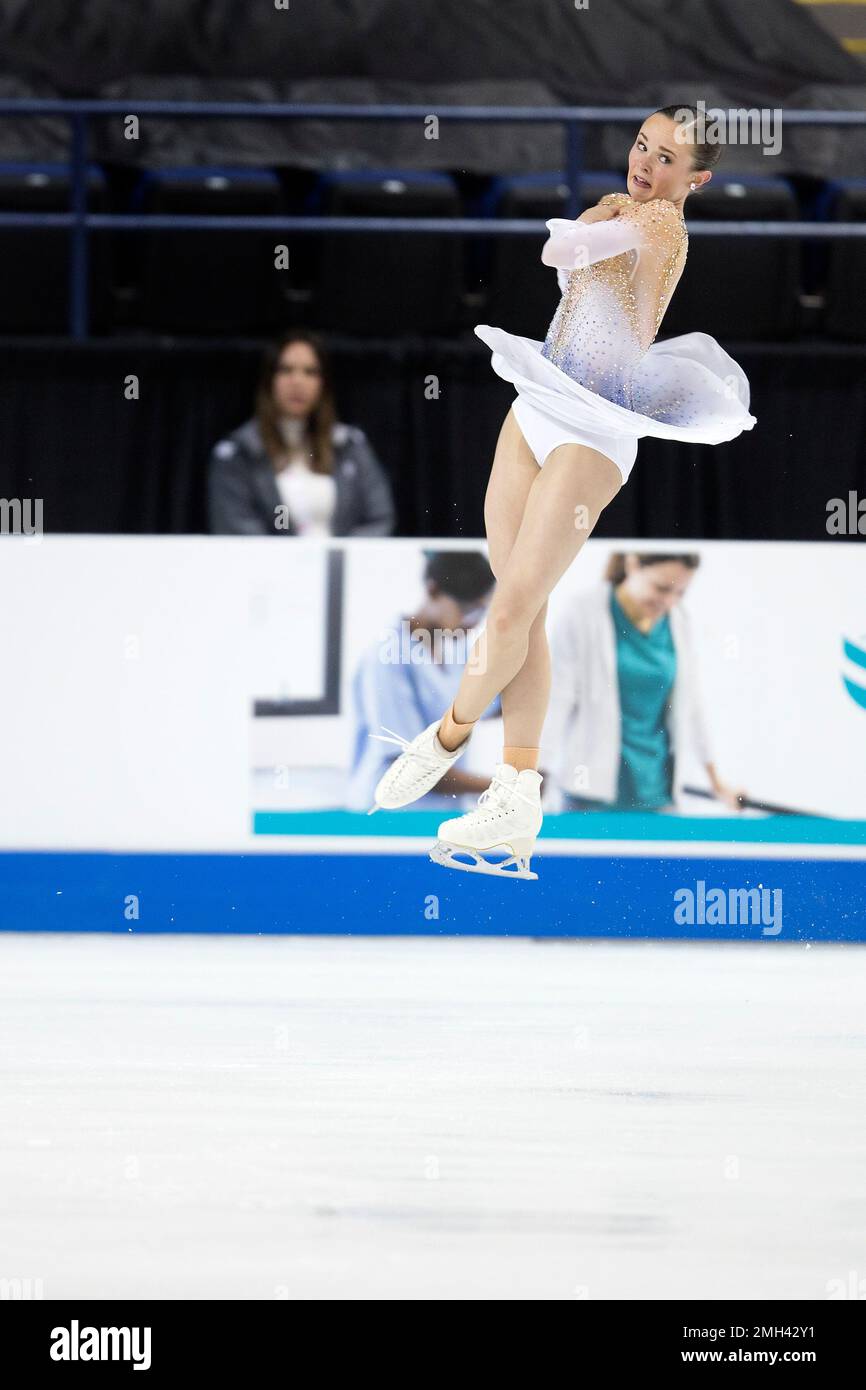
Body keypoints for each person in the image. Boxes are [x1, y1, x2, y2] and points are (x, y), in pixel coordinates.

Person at [364, 105, 757, 881]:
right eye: (643, 147)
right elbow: (568, 252)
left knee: (507, 611)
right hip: (536, 406)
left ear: (697, 179)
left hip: (593, 430)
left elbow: (564, 249)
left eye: (668, 159)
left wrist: (596, 222)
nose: (646, 164)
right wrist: (589, 224)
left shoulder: (662, 228)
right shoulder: (620, 208)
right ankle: (516, 790)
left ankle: (445, 736)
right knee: (526, 615)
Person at [539, 552, 747, 814]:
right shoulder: (582, 613)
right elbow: (557, 699)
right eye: (661, 588)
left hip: (658, 791)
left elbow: (692, 707)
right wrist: (537, 771)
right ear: (632, 563)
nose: (669, 601)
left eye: (680, 593)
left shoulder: (678, 621)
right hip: (590, 793)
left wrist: (717, 783)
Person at [345, 551, 501, 812]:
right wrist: (499, 786)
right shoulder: (388, 656)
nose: (471, 622)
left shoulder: (454, 650)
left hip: (438, 813)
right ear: (433, 591)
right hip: (388, 814)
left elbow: (488, 706)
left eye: (479, 610)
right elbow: (411, 766)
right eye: (464, 609)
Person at [207, 330, 395, 536]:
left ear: (323, 383)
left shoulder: (350, 445)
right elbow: (237, 528)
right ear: (269, 380)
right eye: (286, 370)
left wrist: (341, 559)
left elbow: (379, 517)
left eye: (310, 372)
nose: (297, 381)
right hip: (271, 567)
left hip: (340, 566)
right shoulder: (237, 453)